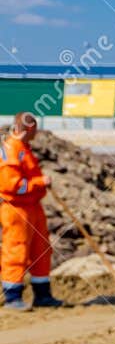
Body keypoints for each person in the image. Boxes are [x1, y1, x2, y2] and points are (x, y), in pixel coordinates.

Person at [0, 113, 62, 310]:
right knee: (17, 248)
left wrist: (39, 186)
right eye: (34, 130)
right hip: (16, 208)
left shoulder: (24, 148)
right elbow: (12, 185)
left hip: (33, 206)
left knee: (41, 249)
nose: (36, 134)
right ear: (26, 130)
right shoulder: (10, 150)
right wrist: (39, 183)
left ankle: (42, 294)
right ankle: (12, 296)